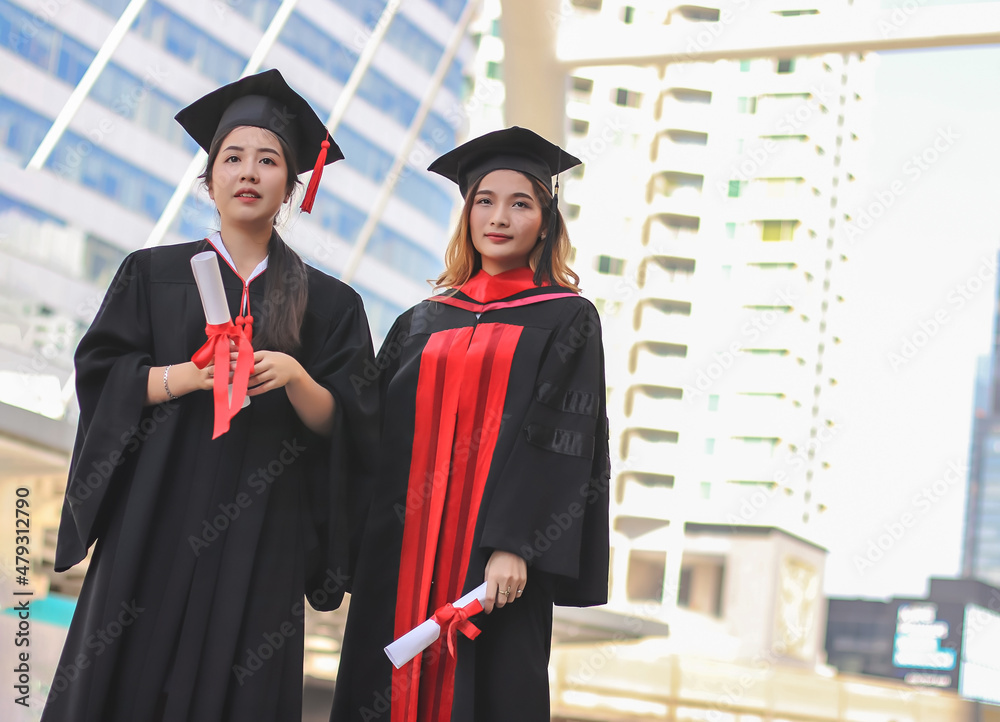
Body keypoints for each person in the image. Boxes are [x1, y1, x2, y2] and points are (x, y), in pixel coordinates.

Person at [41, 69, 378, 722]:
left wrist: (298, 377)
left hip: (264, 532)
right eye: (232, 158)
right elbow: (103, 373)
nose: (248, 172)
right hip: (154, 515)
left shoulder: (332, 306)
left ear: (290, 186)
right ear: (209, 178)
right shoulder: (154, 273)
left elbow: (355, 422)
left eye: (268, 160)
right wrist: (182, 377)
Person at [331, 127, 610, 722]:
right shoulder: (421, 320)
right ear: (465, 215)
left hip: (493, 567)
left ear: (546, 221)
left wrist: (516, 544)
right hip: (400, 550)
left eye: (521, 203)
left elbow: (562, 437)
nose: (499, 217)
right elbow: (368, 430)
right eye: (484, 200)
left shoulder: (568, 318)